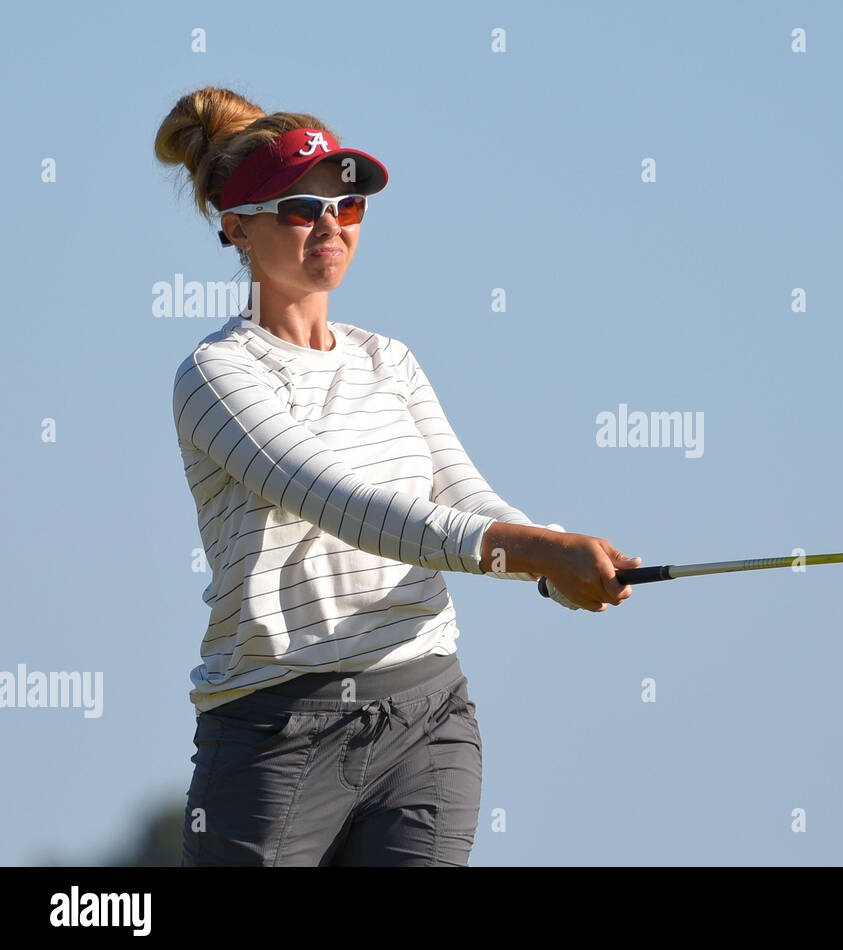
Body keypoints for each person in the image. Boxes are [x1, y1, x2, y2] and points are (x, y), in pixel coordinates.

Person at [155, 86, 640, 865]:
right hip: (274, 732)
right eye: (300, 207)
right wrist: (542, 554)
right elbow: (350, 507)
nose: (330, 225)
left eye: (346, 208)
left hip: (426, 714)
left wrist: (552, 556)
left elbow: (461, 499)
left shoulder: (390, 359)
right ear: (236, 228)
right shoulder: (215, 376)